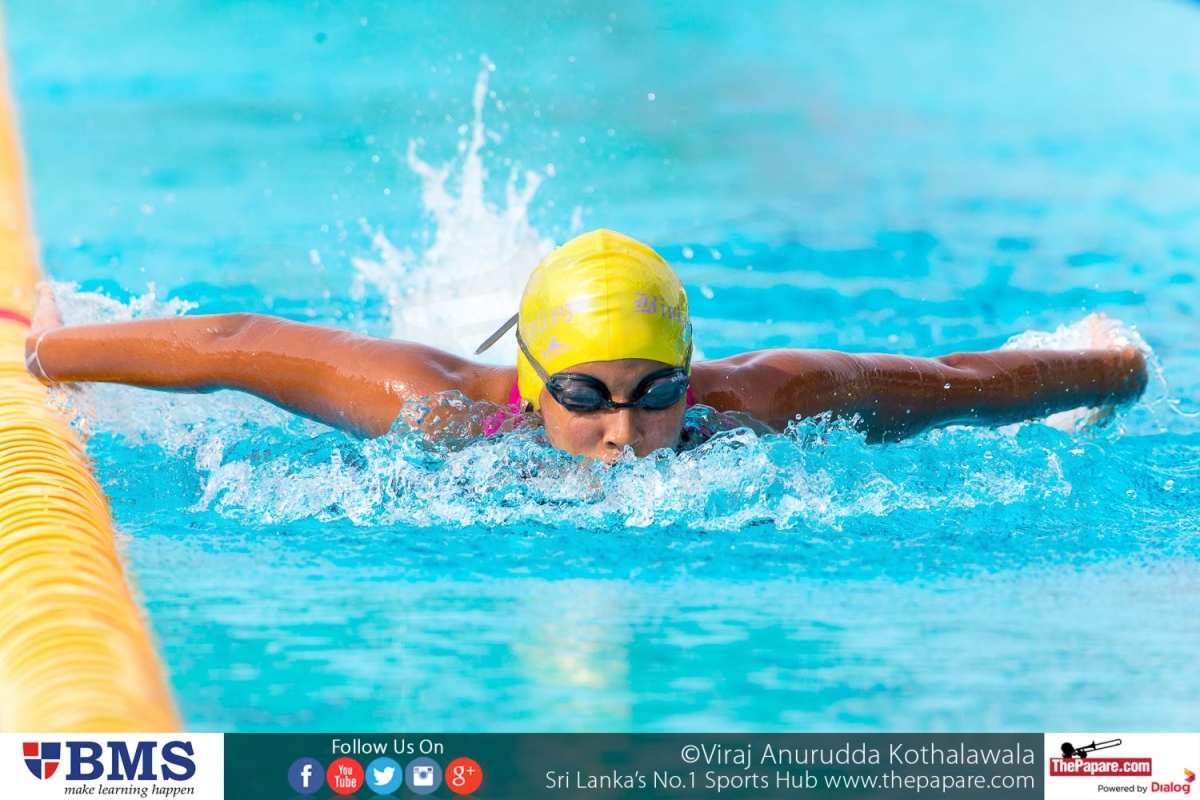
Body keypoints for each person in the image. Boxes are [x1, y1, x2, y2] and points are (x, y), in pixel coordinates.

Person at [24, 229, 1148, 464]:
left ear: (692, 370)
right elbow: (236, 341)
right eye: (585, 396)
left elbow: (958, 384)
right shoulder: (445, 406)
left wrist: (1111, 366)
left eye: (656, 391)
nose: (627, 431)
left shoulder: (759, 401)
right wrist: (43, 357)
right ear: (531, 381)